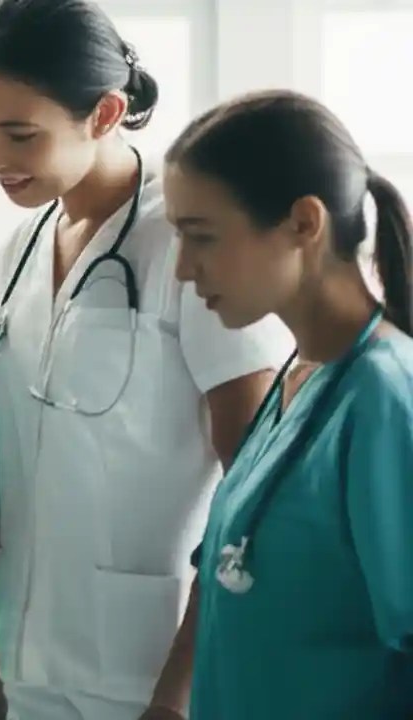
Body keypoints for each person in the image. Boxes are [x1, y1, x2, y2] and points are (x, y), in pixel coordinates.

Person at [0, 2, 293, 718]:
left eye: (19, 133)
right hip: (23, 666)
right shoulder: (18, 253)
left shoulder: (188, 240)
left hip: (148, 672)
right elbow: (26, 467)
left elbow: (256, 490)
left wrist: (176, 694)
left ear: (106, 113)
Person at [162, 90, 413, 720]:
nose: (183, 269)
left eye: (201, 237)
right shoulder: (297, 380)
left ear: (304, 222)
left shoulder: (384, 398)